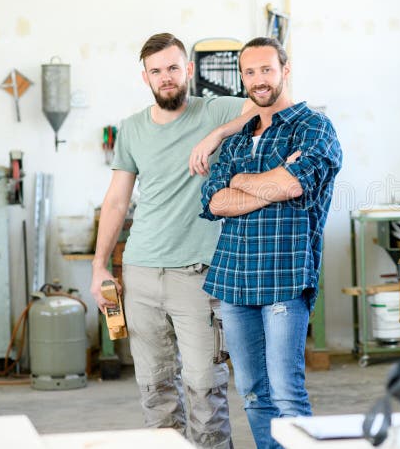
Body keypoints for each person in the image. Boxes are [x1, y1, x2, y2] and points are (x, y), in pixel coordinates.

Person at [90, 32, 255, 448]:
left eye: (173, 68)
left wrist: (217, 134)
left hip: (197, 277)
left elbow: (274, 104)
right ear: (145, 76)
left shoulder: (215, 109)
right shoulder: (131, 129)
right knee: (155, 388)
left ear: (189, 70)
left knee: (204, 387)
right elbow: (115, 202)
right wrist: (99, 266)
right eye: (156, 71)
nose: (166, 78)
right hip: (141, 273)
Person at [199, 36, 342, 449]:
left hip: (284, 275)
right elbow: (213, 200)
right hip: (233, 278)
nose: (258, 79)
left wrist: (242, 182)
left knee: (286, 391)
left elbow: (294, 185)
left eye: (266, 69)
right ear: (242, 77)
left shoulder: (313, 128)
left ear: (285, 70)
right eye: (250, 72)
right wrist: (268, 182)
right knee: (253, 392)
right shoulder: (239, 138)